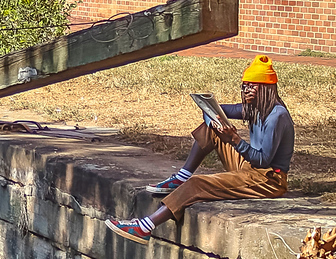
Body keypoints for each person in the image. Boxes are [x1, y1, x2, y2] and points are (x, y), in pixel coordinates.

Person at [106, 56, 294, 244]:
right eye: (244, 85)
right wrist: (212, 117)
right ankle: (182, 176)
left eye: (253, 86)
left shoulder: (277, 116)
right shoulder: (255, 109)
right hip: (250, 168)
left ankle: (144, 227)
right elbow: (217, 111)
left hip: (268, 180)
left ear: (268, 88)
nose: (247, 91)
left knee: (198, 184)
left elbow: (263, 161)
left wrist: (234, 139)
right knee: (212, 129)